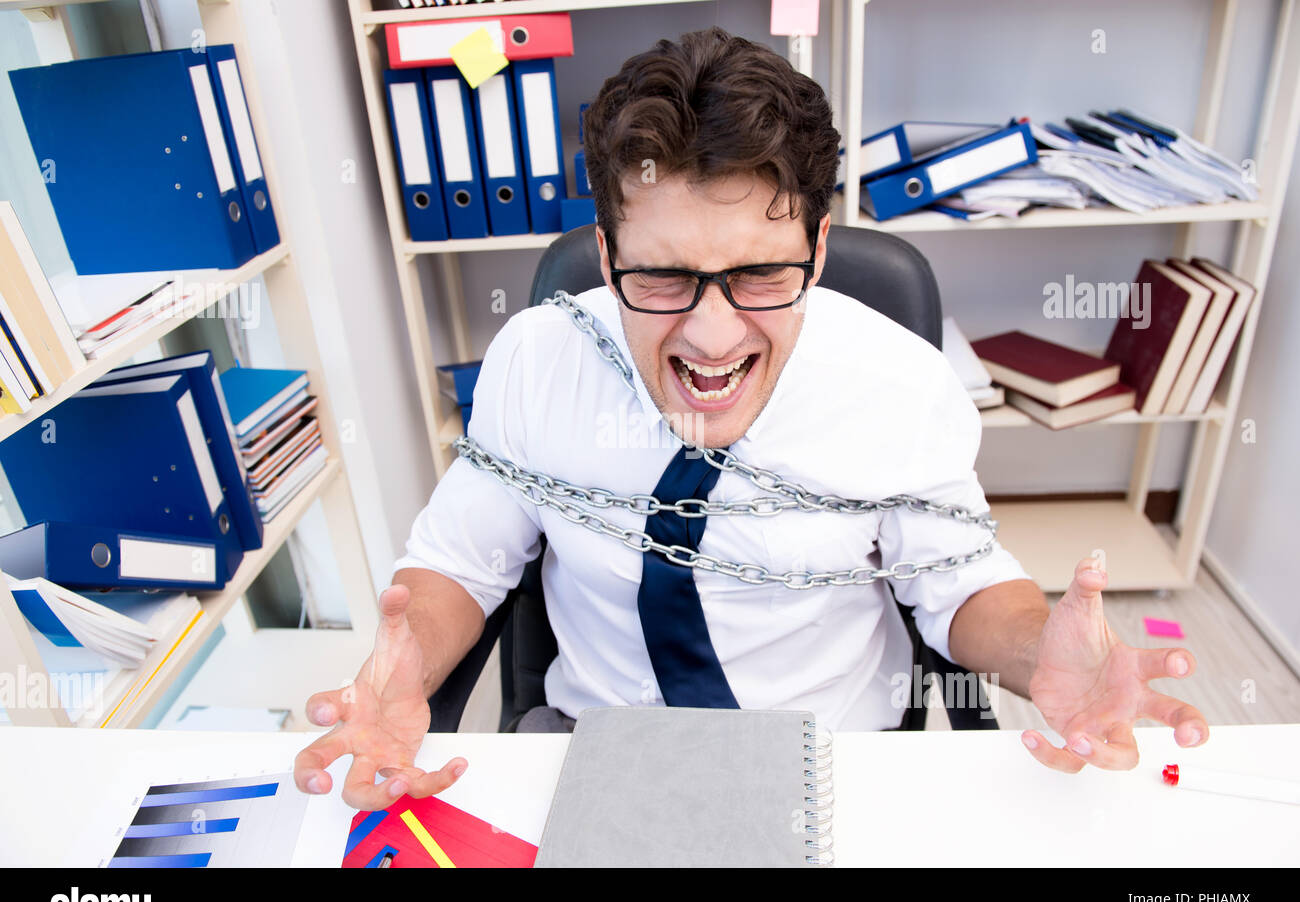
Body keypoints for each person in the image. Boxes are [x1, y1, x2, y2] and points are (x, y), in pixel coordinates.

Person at [295, 27, 1207, 810]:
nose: (712, 333)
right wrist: (404, 671)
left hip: (833, 758)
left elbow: (961, 582)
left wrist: (1043, 650)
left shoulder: (897, 381)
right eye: (662, 276)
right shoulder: (538, 360)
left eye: (761, 275)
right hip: (599, 749)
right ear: (606, 254)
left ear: (816, 248)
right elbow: (463, 561)